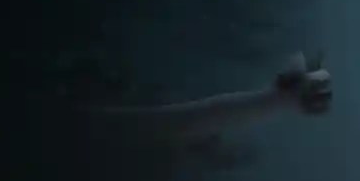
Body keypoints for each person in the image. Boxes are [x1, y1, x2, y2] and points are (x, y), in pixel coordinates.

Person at [87, 51, 331, 141]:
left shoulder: (291, 91)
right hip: (227, 116)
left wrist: (308, 67)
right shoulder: (290, 99)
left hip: (226, 113)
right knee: (163, 123)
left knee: (162, 122)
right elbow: (294, 72)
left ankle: (98, 120)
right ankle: (100, 120)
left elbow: (294, 65)